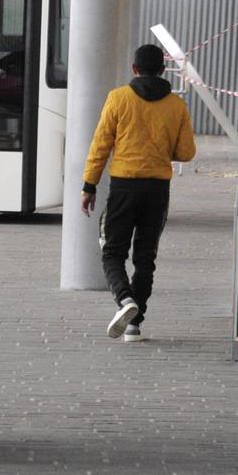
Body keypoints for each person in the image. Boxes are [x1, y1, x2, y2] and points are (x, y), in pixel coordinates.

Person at [79, 43, 196, 342]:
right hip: (157, 190)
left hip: (123, 187)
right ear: (161, 70)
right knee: (146, 257)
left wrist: (89, 185)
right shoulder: (176, 106)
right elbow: (186, 152)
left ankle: (124, 300)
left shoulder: (118, 99)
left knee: (112, 251)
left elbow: (101, 145)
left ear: (134, 69)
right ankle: (135, 325)